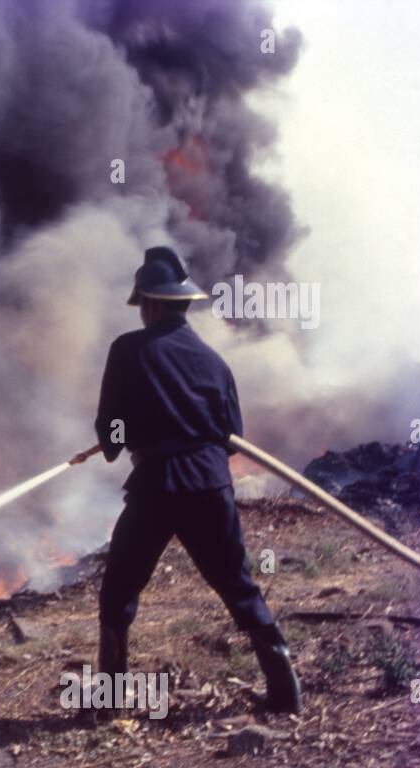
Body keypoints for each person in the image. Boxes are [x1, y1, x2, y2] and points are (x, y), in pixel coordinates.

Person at [86, 246, 302, 714]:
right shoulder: (215, 363)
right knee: (239, 586)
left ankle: (107, 703)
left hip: (156, 489)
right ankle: (285, 690)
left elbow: (111, 433)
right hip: (210, 488)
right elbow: (231, 439)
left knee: (120, 589)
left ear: (152, 303)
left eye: (142, 304)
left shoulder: (127, 350)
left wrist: (115, 442)